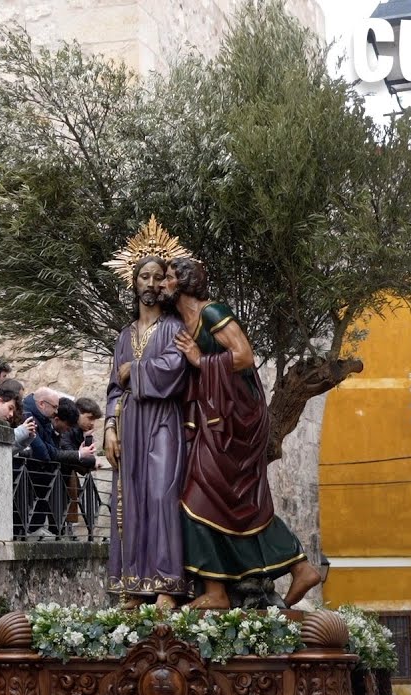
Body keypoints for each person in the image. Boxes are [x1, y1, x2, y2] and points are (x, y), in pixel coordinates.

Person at [163, 256, 321, 609]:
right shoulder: (180, 322)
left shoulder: (213, 312)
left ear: (186, 281)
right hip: (213, 416)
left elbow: (244, 357)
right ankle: (288, 570)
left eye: (169, 277)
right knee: (226, 501)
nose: (163, 283)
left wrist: (200, 361)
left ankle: (225, 590)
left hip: (237, 419)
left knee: (201, 497)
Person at [102, 245, 191, 609]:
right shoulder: (124, 335)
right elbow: (112, 387)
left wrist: (133, 372)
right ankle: (135, 586)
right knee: (130, 498)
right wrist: (108, 428)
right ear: (133, 282)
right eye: (144, 277)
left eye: (157, 277)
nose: (151, 284)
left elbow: (176, 368)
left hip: (162, 419)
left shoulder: (174, 328)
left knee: (161, 494)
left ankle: (168, 584)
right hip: (129, 422)